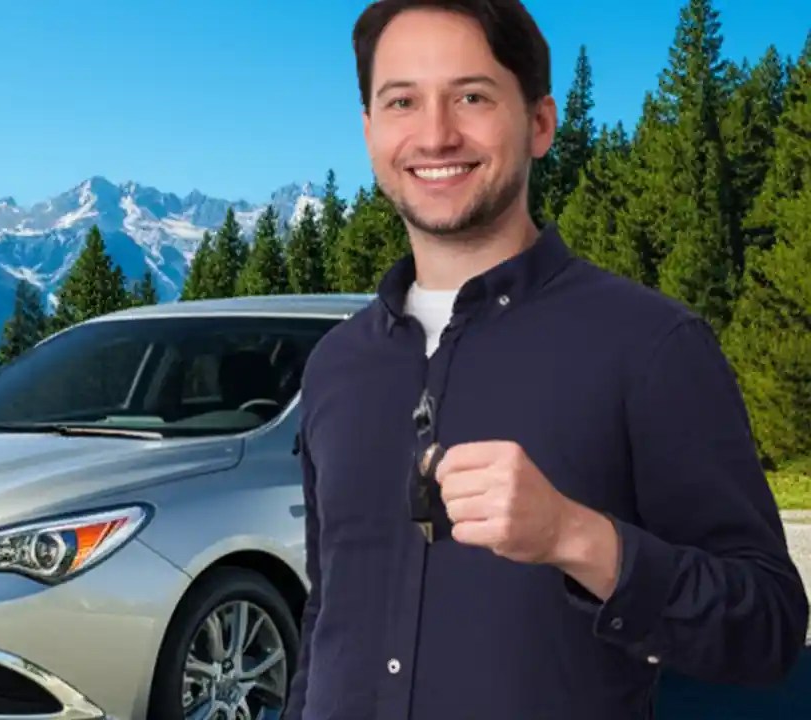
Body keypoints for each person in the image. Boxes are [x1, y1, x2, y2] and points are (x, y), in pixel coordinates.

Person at [284, 1, 809, 718]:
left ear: (539, 123)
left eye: (471, 96)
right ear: (372, 130)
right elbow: (327, 612)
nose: (435, 134)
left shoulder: (650, 345)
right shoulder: (336, 366)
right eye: (402, 101)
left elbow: (768, 629)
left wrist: (576, 537)